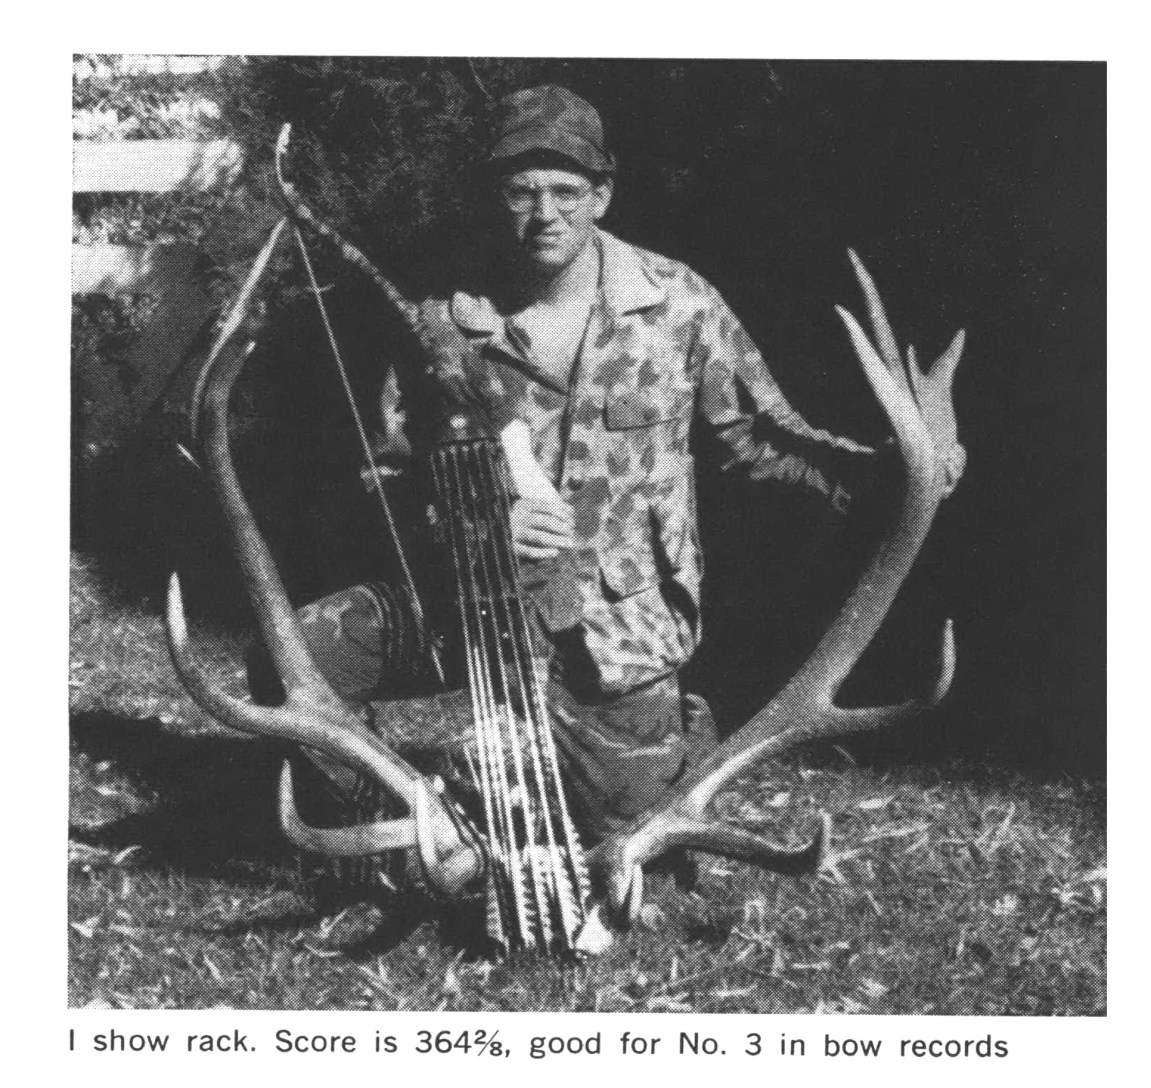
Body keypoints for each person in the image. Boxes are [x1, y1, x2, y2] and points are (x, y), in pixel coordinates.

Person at [264, 84, 962, 840]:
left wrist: (885, 469)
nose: (544, 214)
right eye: (521, 192)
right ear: (493, 197)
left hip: (614, 634)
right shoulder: (442, 319)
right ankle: (382, 838)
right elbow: (387, 476)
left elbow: (760, 441)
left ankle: (667, 743)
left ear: (602, 194)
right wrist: (478, 521)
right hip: (467, 600)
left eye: (566, 191)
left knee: (623, 834)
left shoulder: (678, 305)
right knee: (292, 654)